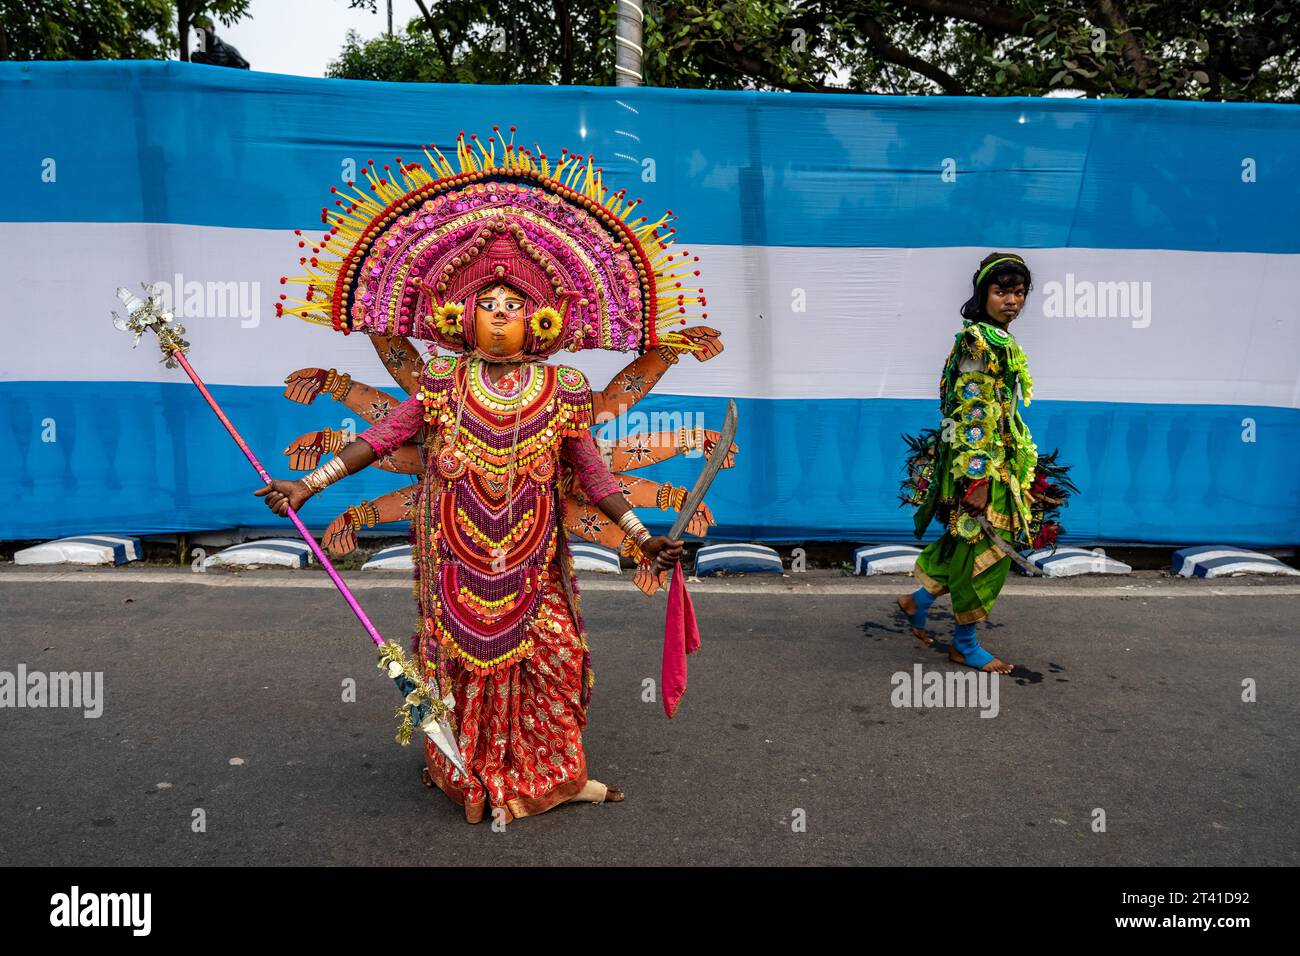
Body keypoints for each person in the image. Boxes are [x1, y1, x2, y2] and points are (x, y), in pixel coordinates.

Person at [255, 131, 709, 823]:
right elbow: (381, 439)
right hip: (455, 562)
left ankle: (555, 776)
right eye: (488, 305)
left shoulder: (560, 387)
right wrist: (307, 487)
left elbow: (590, 471)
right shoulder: (442, 377)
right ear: (461, 315)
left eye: (514, 306)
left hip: (532, 563)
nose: (500, 315)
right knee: (460, 668)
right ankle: (470, 774)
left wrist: (641, 538)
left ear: (542, 319)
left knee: (555, 655)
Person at [897, 253, 1076, 673]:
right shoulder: (978, 343)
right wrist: (976, 480)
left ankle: (915, 602)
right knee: (989, 553)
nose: (1012, 300)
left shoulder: (998, 339)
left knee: (965, 542)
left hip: (998, 462)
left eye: (1019, 292)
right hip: (981, 468)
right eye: (1002, 292)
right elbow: (970, 414)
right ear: (983, 294)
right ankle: (964, 643)